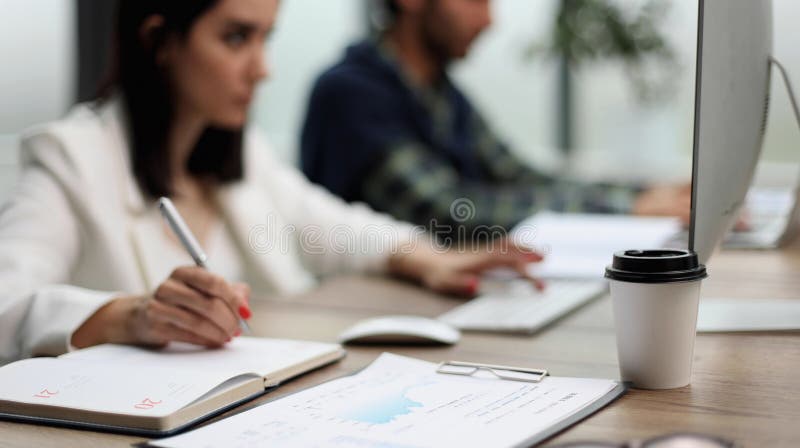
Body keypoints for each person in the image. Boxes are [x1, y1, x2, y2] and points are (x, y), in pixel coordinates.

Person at [0, 0, 542, 362]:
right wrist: (131, 315)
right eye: (237, 38)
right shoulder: (71, 158)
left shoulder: (238, 157)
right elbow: (6, 305)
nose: (263, 68)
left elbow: (335, 227)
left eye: (266, 38)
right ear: (161, 41)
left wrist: (426, 257)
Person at [300, 0, 691, 241]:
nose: (490, 20)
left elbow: (520, 175)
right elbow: (452, 213)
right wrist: (624, 210)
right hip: (363, 320)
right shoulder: (349, 95)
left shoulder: (442, 94)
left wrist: (642, 194)